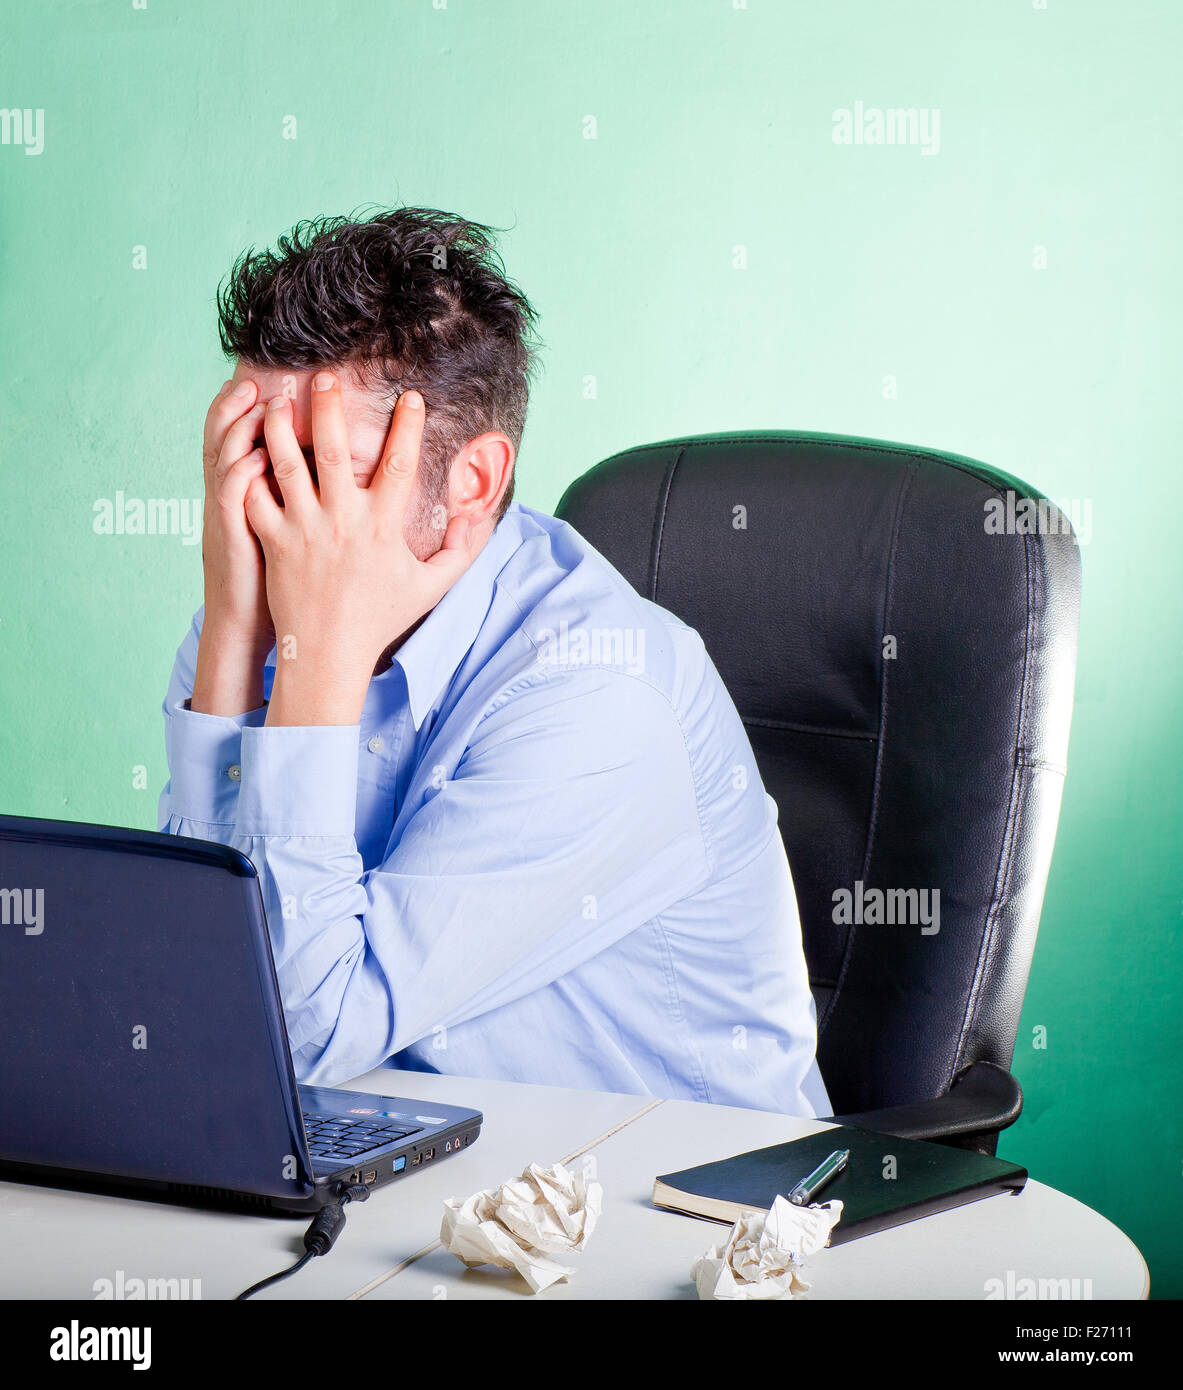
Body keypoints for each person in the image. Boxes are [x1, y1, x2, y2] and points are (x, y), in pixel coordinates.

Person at [159, 206, 830, 1117]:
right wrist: (236, 637)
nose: (272, 514)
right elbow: (190, 996)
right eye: (253, 459)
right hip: (413, 1171)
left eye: (320, 465)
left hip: (669, 1215)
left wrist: (315, 655)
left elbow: (292, 1038)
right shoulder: (246, 623)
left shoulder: (597, 694)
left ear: (470, 483)